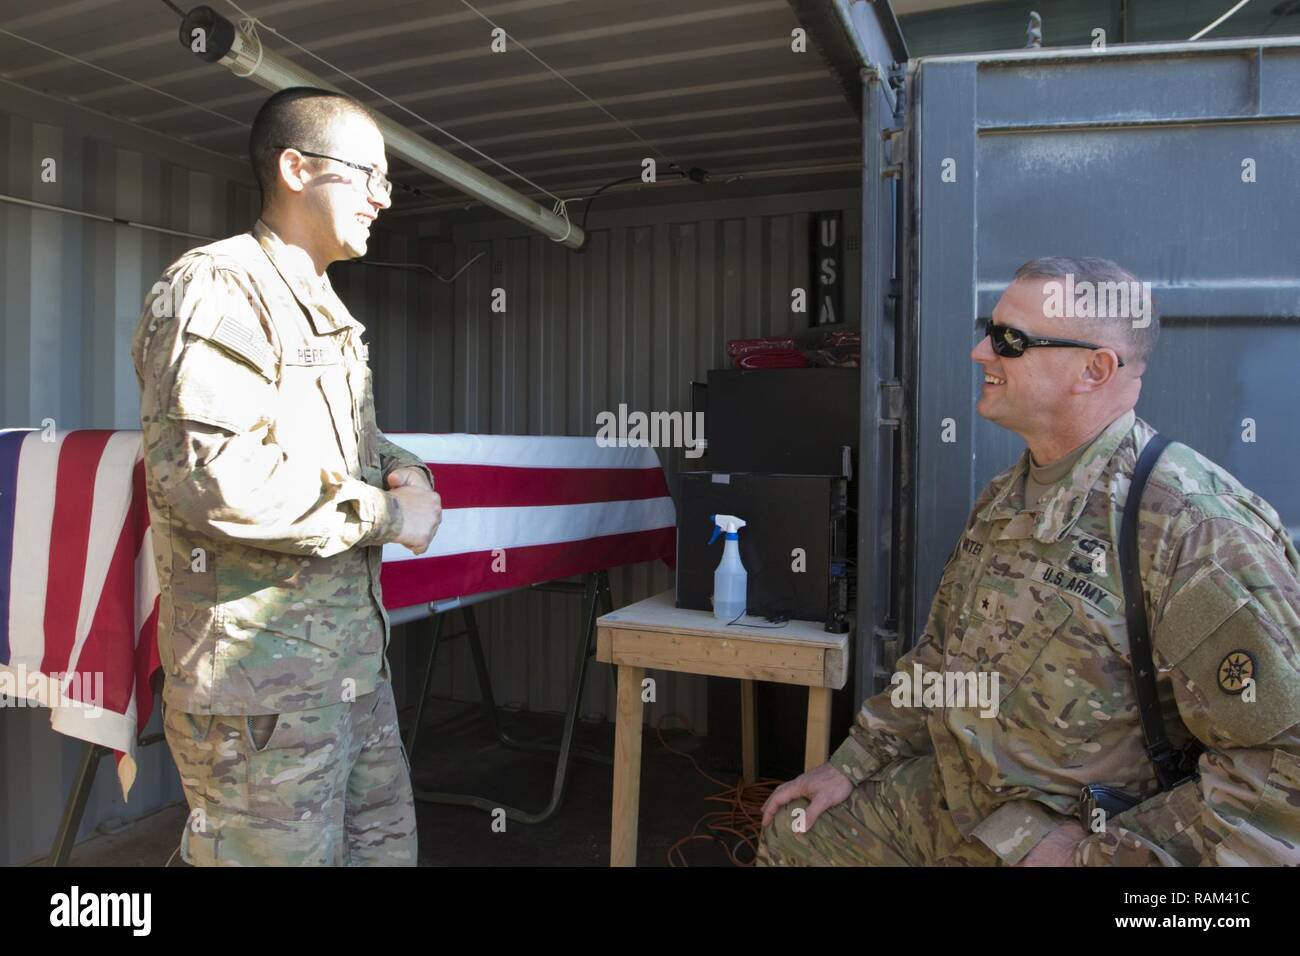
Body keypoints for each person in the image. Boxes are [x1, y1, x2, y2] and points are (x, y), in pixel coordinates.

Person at [757, 257, 1300, 866]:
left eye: (1009, 340)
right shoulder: (1002, 501)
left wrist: (1105, 859)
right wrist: (850, 765)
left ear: (1093, 369)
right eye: (990, 331)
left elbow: (1282, 768)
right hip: (963, 806)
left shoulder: (1192, 527)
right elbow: (940, 660)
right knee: (797, 834)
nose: (979, 352)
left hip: (1075, 839)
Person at [131, 87, 442, 866]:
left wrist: (407, 473)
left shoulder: (321, 306)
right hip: (259, 701)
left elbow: (358, 444)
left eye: (388, 183)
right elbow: (214, 479)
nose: (381, 197)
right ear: (297, 168)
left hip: (347, 675)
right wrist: (385, 515)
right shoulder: (217, 286)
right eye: (366, 176)